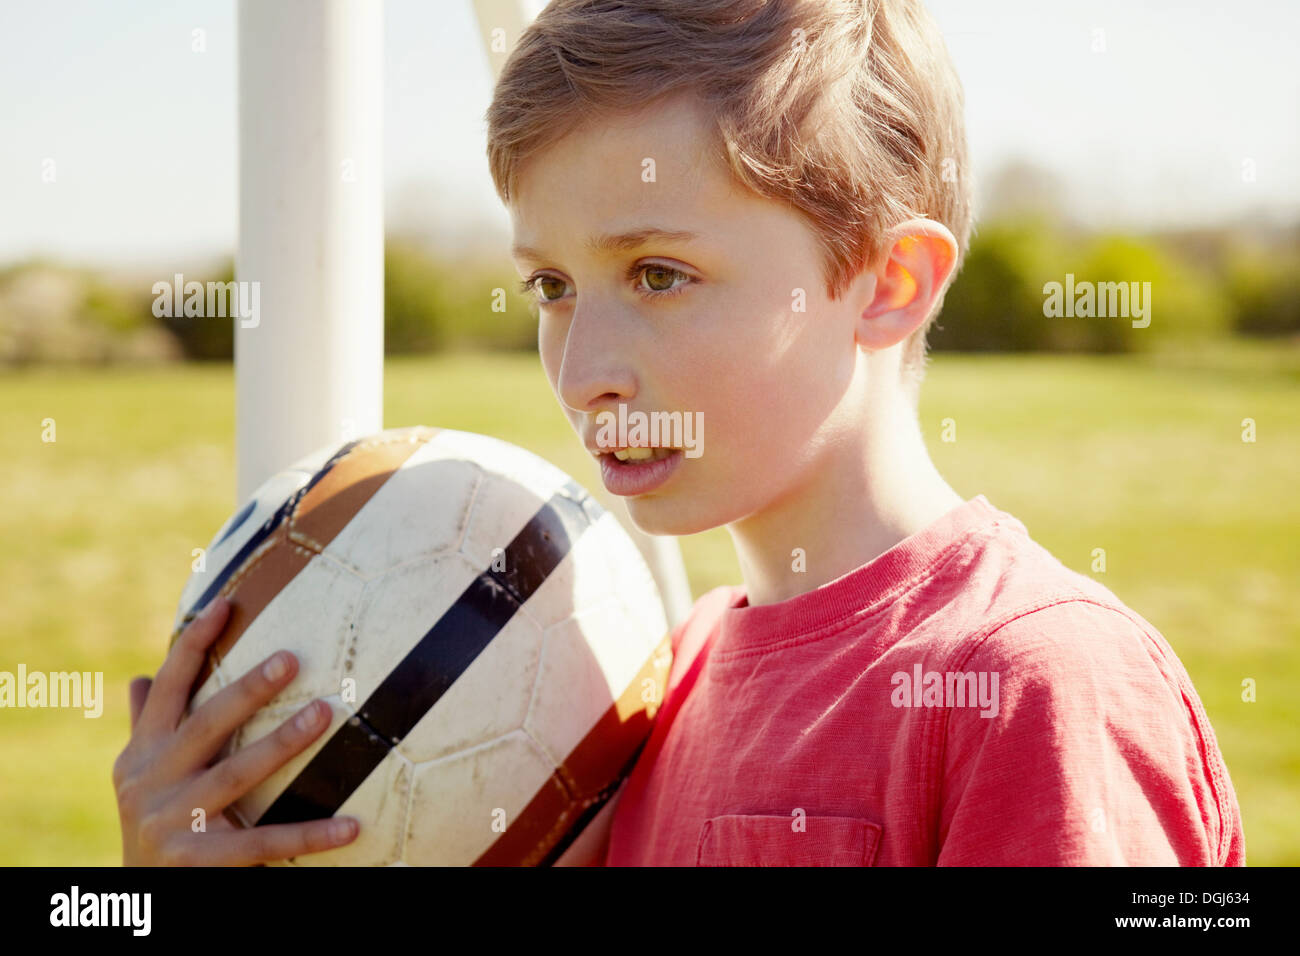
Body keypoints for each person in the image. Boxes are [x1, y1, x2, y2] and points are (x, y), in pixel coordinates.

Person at [114, 0, 1244, 866]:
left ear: (887, 281)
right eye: (550, 283)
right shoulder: (640, 679)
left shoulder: (1035, 682)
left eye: (659, 273)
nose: (584, 369)